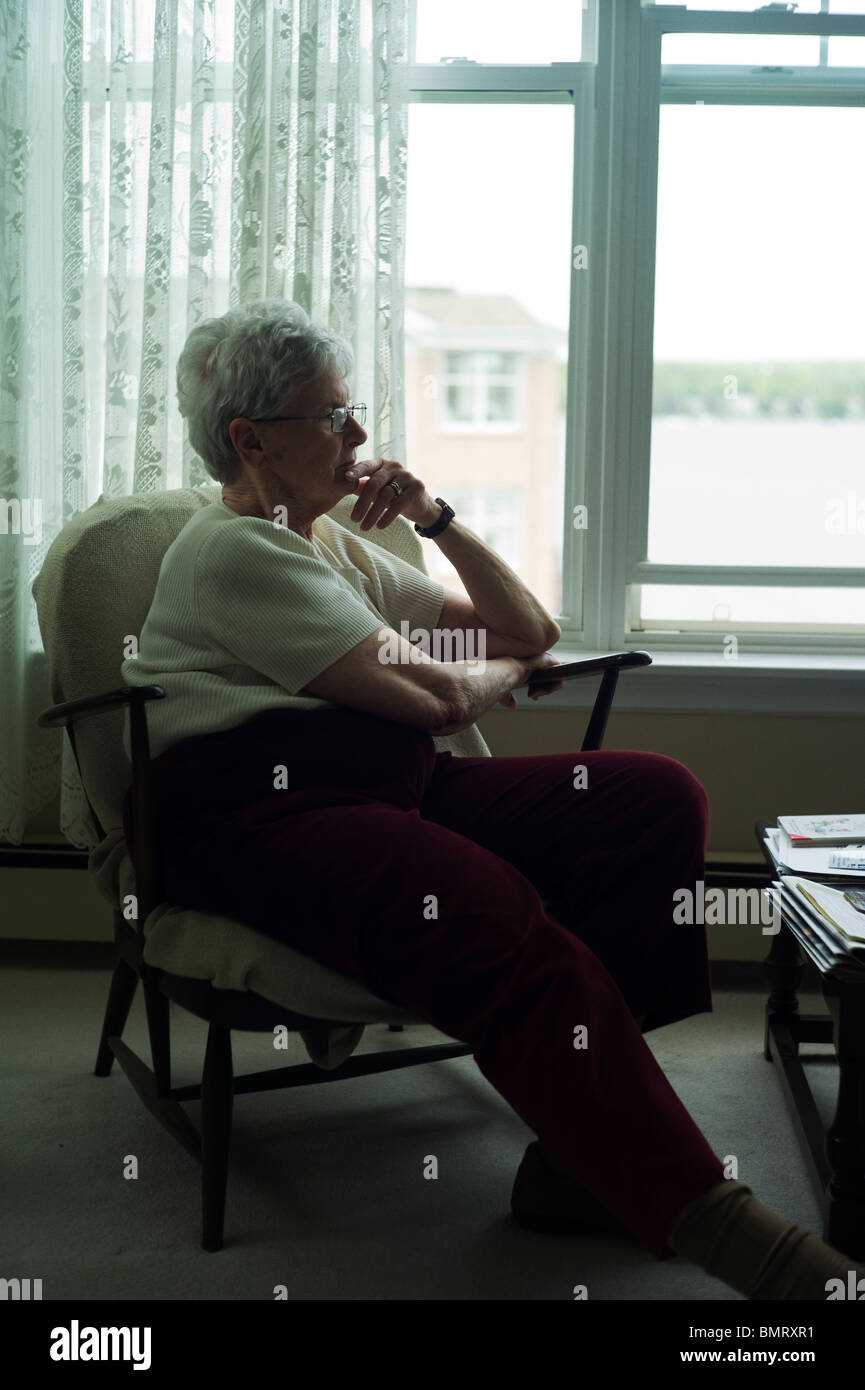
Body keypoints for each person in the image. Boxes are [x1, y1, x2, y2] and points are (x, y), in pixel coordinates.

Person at [121, 299, 863, 1300]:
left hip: (390, 783)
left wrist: (437, 520)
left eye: (355, 411)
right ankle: (734, 1235)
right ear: (249, 438)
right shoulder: (235, 552)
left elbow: (525, 624)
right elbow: (438, 694)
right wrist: (497, 679)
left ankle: (582, 1149)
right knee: (489, 916)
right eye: (331, 416)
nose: (358, 435)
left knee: (649, 797)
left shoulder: (326, 542)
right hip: (258, 812)